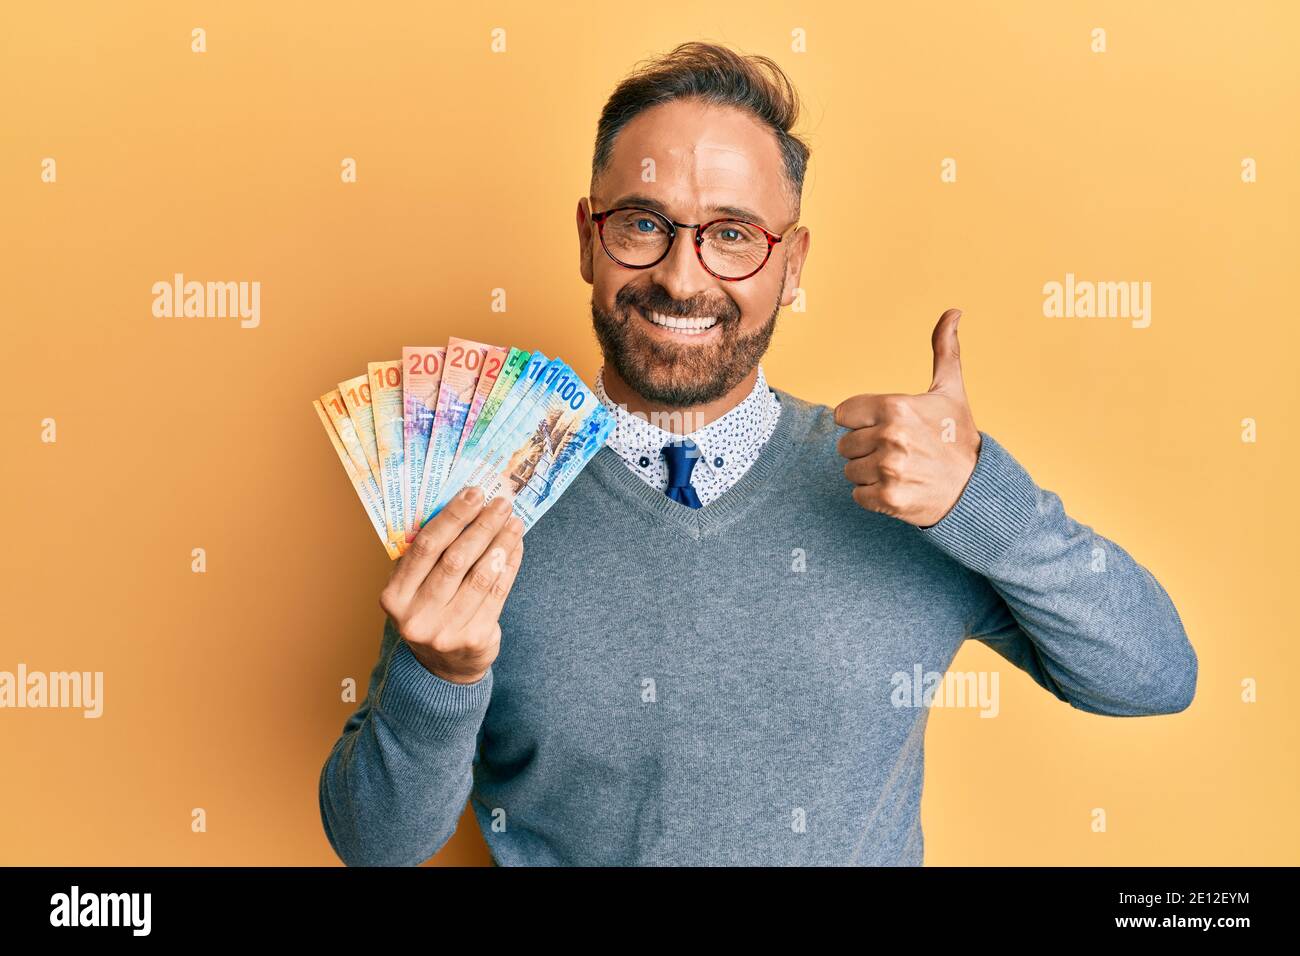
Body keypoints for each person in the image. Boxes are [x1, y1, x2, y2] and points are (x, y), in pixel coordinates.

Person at [319, 41, 1197, 866]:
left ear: (794, 264)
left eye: (733, 234)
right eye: (642, 224)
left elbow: (1154, 676)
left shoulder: (911, 492)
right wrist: (438, 674)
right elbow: (377, 843)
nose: (683, 276)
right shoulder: (485, 498)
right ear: (589, 238)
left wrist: (984, 503)